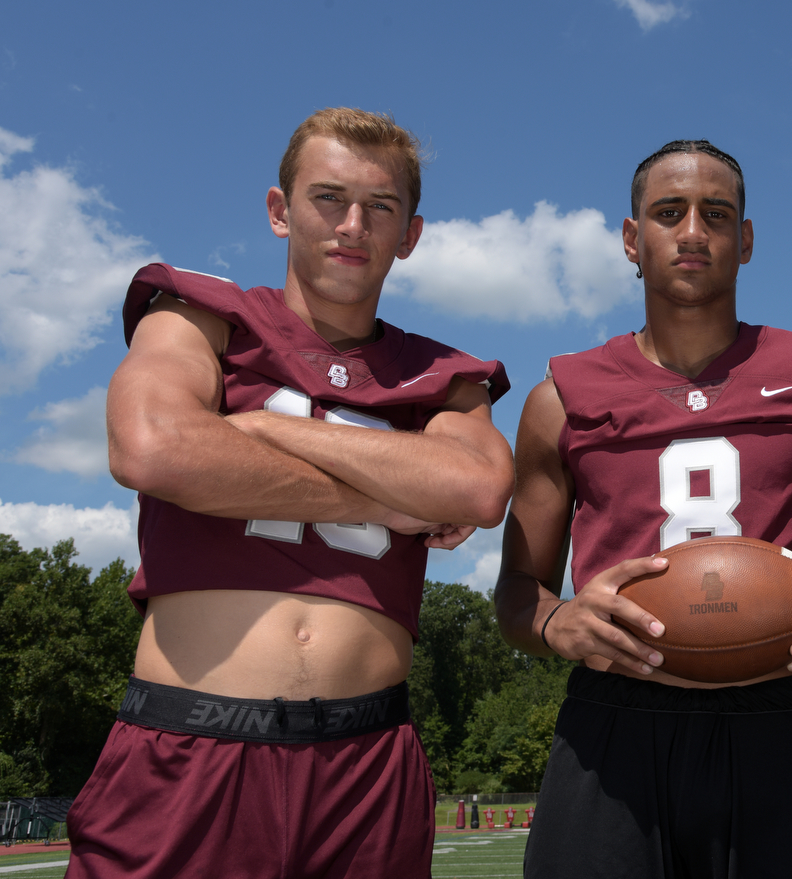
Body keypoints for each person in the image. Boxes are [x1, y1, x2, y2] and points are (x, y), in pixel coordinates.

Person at [67, 108, 515, 879]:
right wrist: (383, 497)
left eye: (380, 208)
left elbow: (476, 488)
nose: (352, 225)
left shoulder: (440, 373)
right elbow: (151, 445)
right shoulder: (200, 314)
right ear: (280, 210)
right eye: (327, 198)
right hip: (189, 741)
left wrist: (265, 430)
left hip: (367, 762)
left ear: (409, 234)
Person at [494, 140, 792, 878]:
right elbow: (518, 590)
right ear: (631, 239)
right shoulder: (560, 397)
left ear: (744, 240)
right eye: (668, 212)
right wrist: (557, 620)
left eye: (716, 214)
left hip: (785, 713)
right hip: (615, 722)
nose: (692, 232)